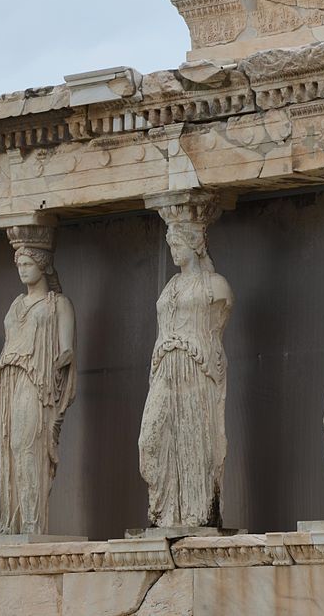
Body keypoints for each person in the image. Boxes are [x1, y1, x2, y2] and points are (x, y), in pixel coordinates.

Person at [139, 211, 232, 528]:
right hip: (165, 368)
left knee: (194, 440)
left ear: (195, 244)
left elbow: (215, 329)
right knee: (150, 440)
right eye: (170, 244)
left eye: (177, 244)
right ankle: (164, 510)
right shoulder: (170, 286)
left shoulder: (216, 287)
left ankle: (195, 513)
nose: (173, 251)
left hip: (196, 368)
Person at [0, 236, 76, 535]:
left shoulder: (58, 304)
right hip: (10, 379)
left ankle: (32, 522)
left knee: (26, 446)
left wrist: (53, 373)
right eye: (19, 265)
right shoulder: (17, 304)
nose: (22, 270)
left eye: (28, 264)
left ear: (42, 265)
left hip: (36, 380)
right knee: (11, 450)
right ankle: (11, 523)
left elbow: (66, 350)